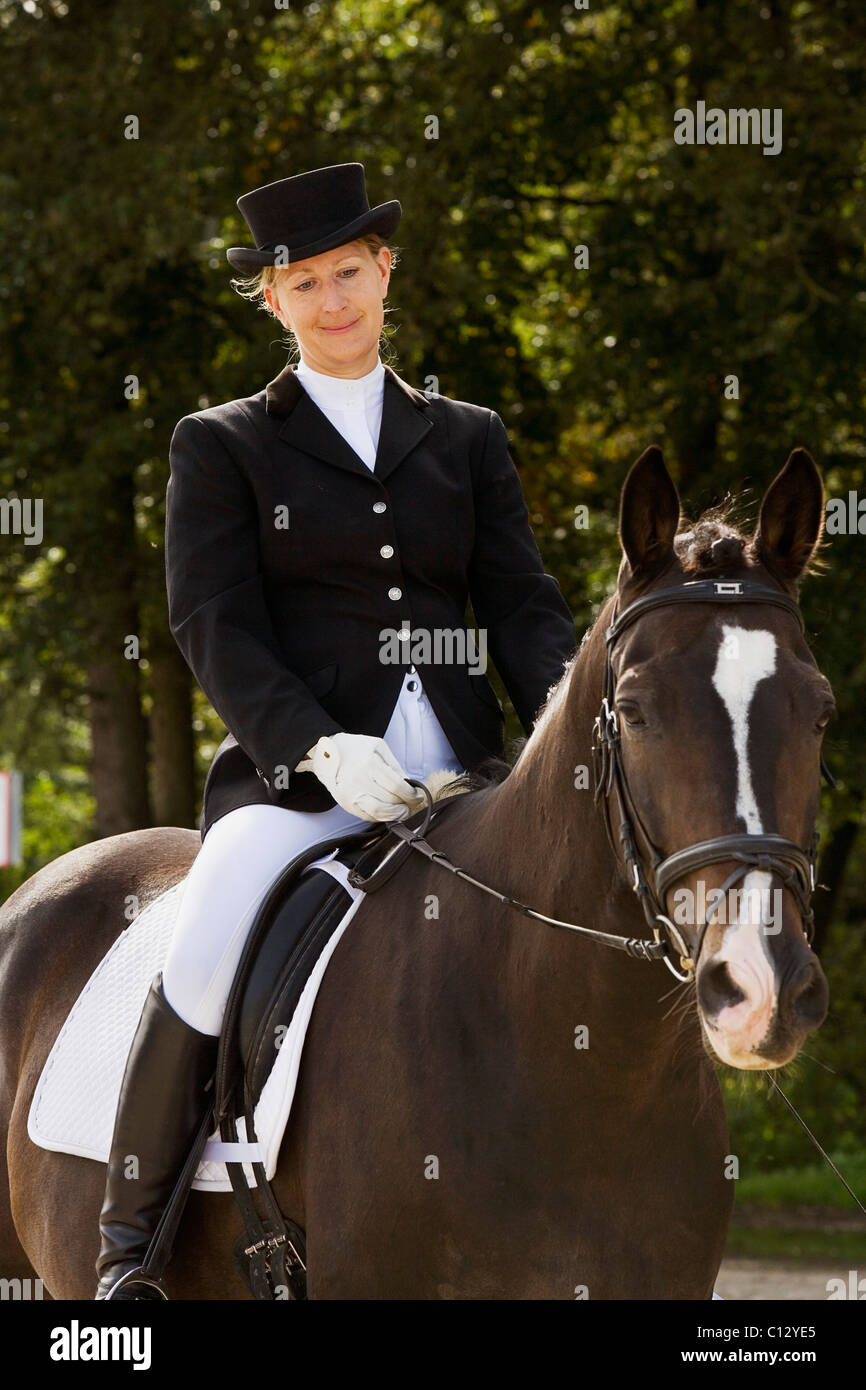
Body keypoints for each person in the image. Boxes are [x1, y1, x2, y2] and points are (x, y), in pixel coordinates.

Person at [95, 162, 577, 1299]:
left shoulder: (464, 436)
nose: (332, 301)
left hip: (463, 779)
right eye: (302, 282)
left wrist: (567, 735)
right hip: (302, 781)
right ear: (272, 300)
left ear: (385, 270)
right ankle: (131, 1242)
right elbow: (210, 620)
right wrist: (313, 745)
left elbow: (520, 606)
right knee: (208, 929)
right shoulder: (219, 444)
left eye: (347, 273)